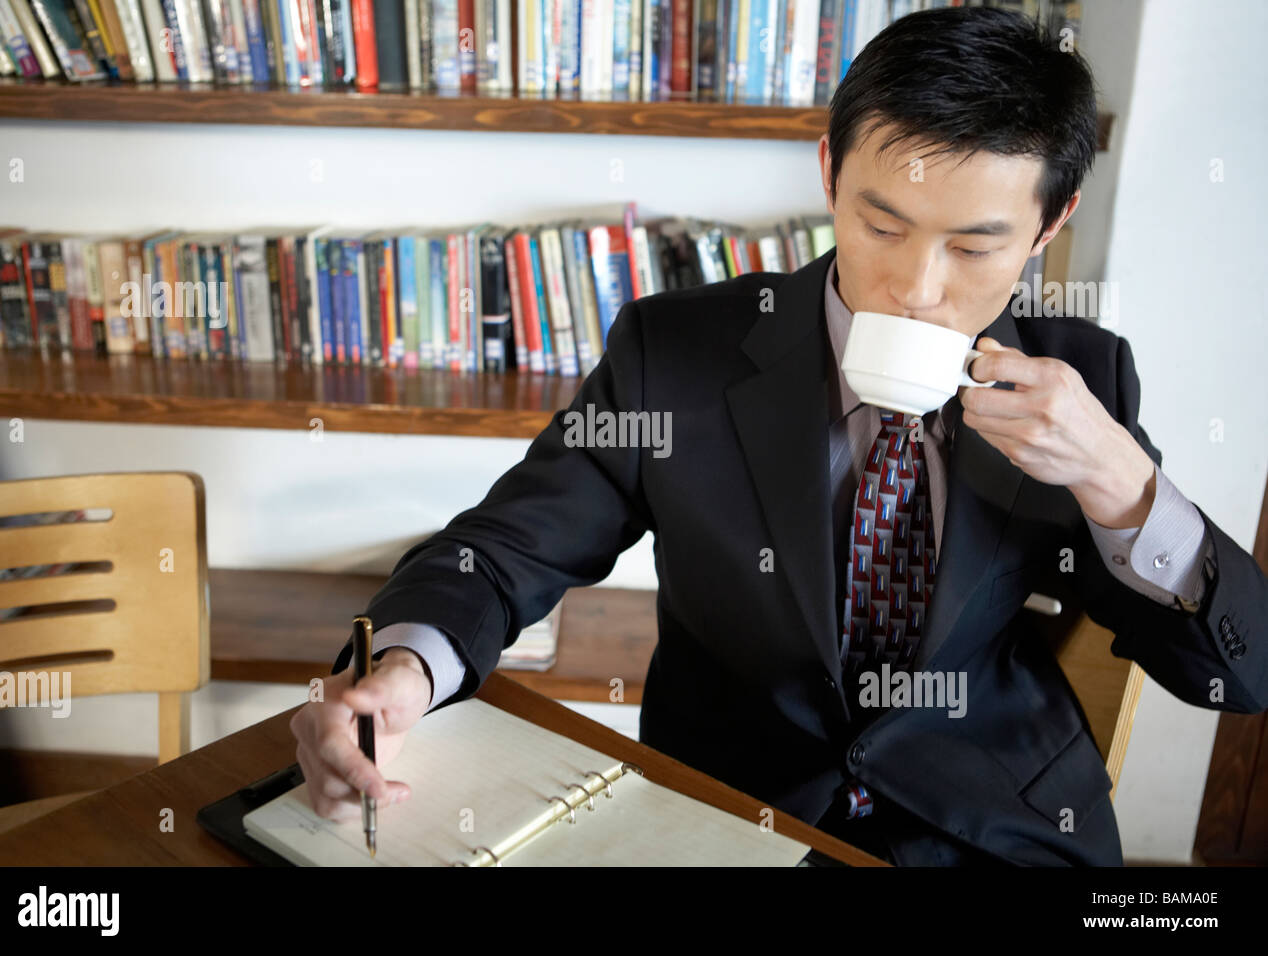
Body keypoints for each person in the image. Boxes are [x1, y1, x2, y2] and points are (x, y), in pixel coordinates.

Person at [289, 6, 1267, 865]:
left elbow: (1241, 673)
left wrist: (1124, 488)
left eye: (974, 245)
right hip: (721, 814)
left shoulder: (1079, 377)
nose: (917, 288)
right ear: (829, 172)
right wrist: (401, 671)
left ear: (1051, 223)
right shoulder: (674, 352)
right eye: (880, 224)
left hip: (995, 823)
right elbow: (498, 553)